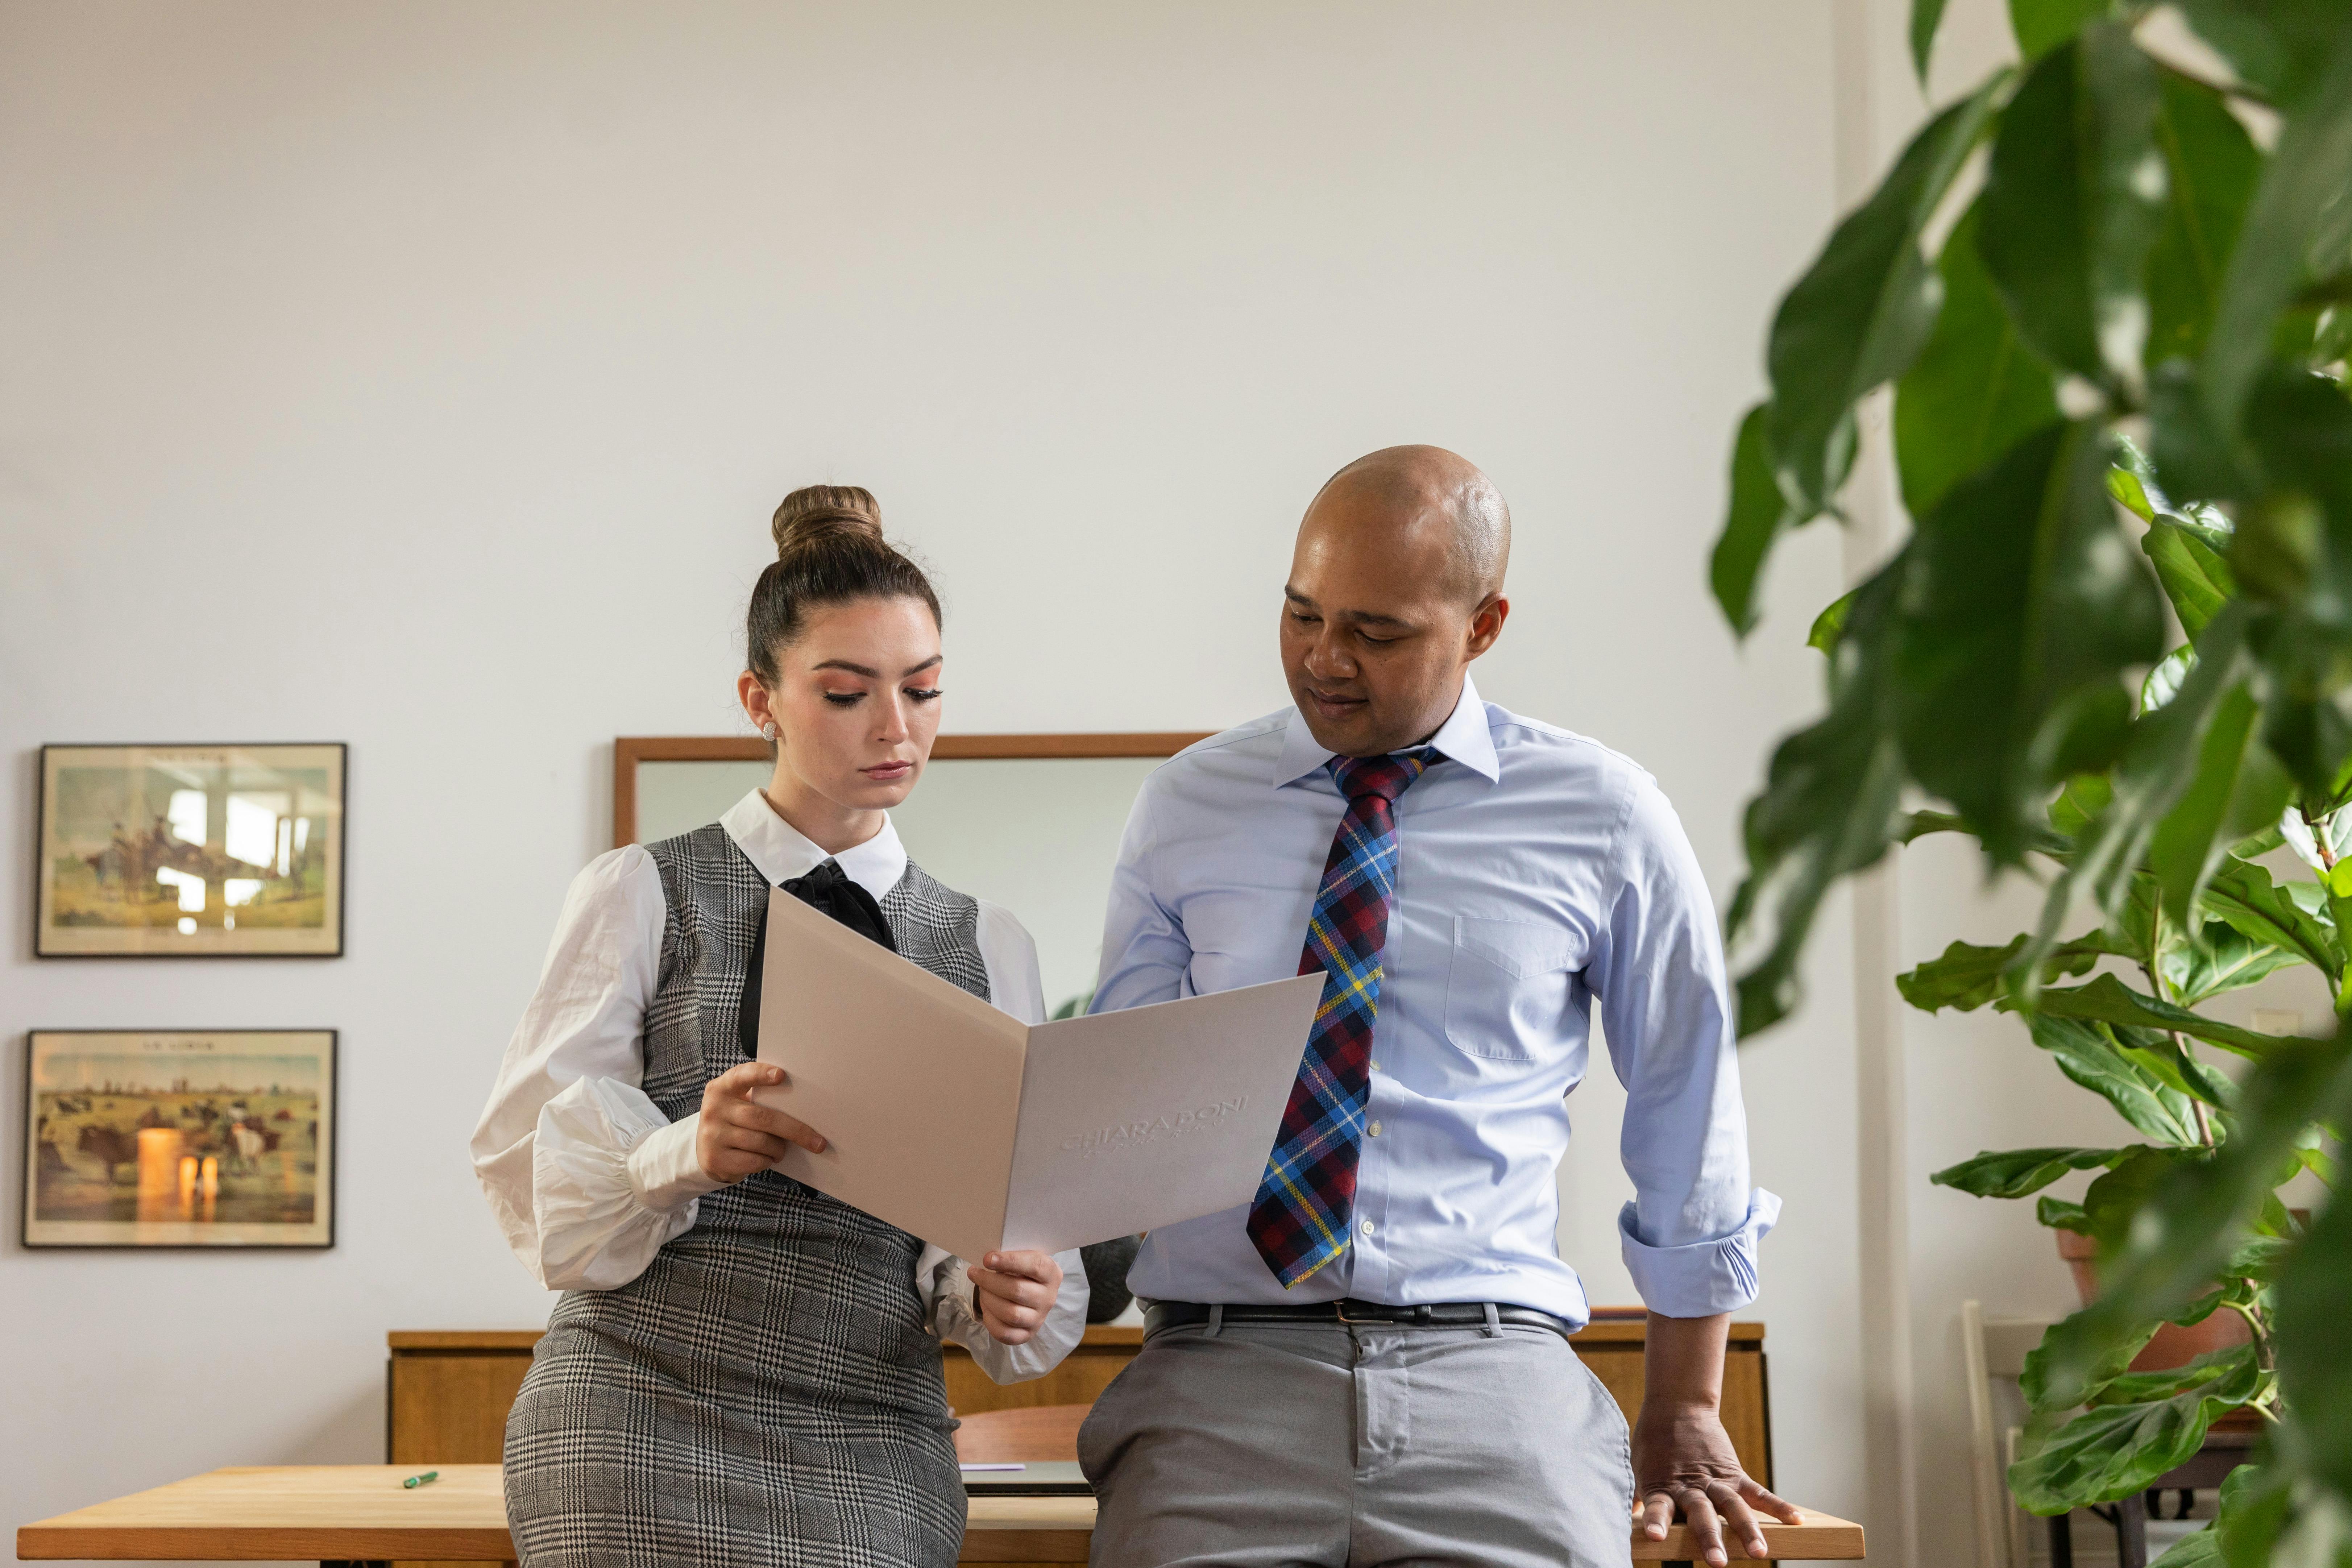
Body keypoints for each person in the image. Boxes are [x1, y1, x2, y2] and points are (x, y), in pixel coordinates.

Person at [1078, 446, 1796, 1568]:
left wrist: (1687, 1402)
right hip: (1219, 1382)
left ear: (1484, 623)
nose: (1324, 661)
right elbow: (1110, 1105)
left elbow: (1685, 1096)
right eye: (1301, 615)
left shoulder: (1602, 811)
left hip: (1493, 1382)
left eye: (1376, 632)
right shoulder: (1188, 804)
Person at [472, 485, 1088, 1568]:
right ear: (759, 699)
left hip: (875, 1435)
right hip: (636, 1417)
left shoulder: (989, 941)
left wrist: (1001, 1292)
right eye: (847, 693)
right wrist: (684, 1152)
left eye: (925, 690)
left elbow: (987, 1220)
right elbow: (525, 1170)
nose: (895, 728)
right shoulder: (642, 890)